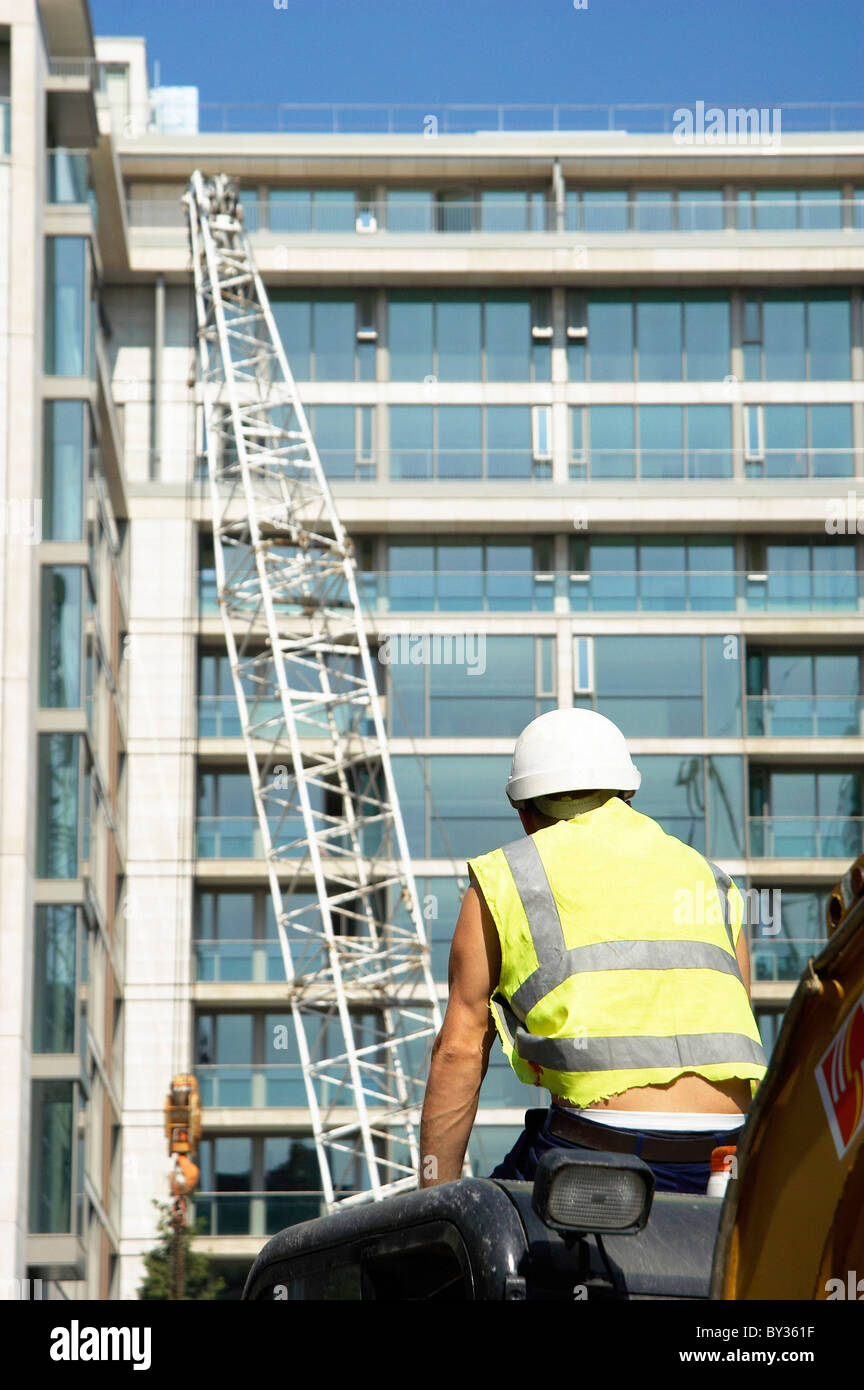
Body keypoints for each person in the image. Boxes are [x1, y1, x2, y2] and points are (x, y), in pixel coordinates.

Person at [418, 708, 768, 1195]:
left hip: (597, 1153)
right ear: (627, 795)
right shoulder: (712, 879)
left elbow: (458, 1049)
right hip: (725, 1159)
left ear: (524, 812)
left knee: (486, 1237)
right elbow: (736, 1016)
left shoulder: (507, 876)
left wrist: (435, 1202)